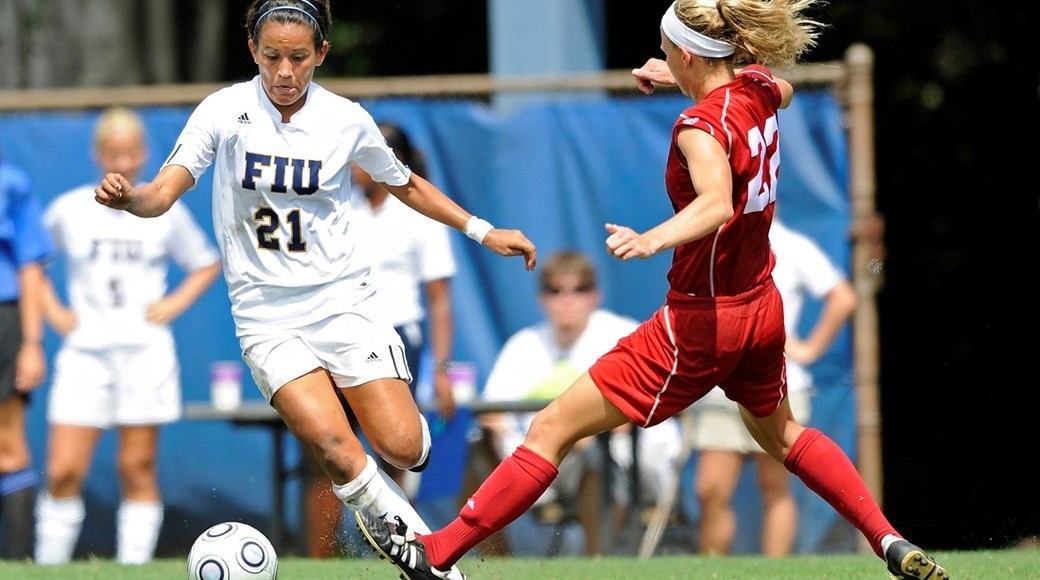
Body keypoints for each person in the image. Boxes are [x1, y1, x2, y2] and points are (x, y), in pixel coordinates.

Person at [355, 2, 947, 580]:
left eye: (667, 52)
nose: (659, 59)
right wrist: (684, 78)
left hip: (701, 322)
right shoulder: (761, 89)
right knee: (782, 434)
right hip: (760, 308)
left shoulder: (698, 127)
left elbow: (716, 203)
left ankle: (438, 552)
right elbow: (769, 93)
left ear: (690, 54)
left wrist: (651, 239)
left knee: (549, 429)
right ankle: (886, 539)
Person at [92, 2, 536, 579]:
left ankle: (419, 461)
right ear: (252, 50)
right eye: (272, 56)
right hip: (265, 315)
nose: (284, 71)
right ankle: (425, 559)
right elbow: (160, 194)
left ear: (321, 55)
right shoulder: (223, 112)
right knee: (332, 442)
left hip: (343, 304)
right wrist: (131, 200)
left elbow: (405, 184)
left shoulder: (345, 119)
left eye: (299, 58)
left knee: (403, 448)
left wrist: (482, 229)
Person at [33, 107, 222, 565]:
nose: (122, 160)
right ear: (99, 154)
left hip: (144, 352)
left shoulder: (162, 209)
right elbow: (30, 261)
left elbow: (205, 262)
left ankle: (132, 568)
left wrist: (172, 304)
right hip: (86, 353)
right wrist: (54, 310)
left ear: (144, 154)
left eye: (131, 152)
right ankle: (46, 567)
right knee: (62, 470)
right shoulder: (70, 209)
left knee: (136, 466)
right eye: (113, 152)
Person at [304, 121, 460, 557]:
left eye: (367, 154)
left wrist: (442, 369)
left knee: (395, 451)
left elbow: (440, 301)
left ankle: (404, 552)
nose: (357, 165)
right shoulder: (336, 208)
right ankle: (322, 557)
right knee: (328, 446)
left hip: (396, 341)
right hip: (336, 337)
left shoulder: (420, 216)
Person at [479, 249, 679, 556]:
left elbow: (645, 405)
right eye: (555, 290)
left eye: (579, 289)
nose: (567, 299)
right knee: (474, 450)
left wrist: (581, 432)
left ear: (595, 295)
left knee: (591, 450)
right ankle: (483, 563)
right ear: (541, 298)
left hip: (623, 458)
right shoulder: (523, 345)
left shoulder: (623, 335)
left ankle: (598, 559)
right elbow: (490, 414)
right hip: (544, 460)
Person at [690, 217, 857, 556]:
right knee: (711, 489)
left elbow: (843, 297)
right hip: (720, 383)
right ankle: (711, 570)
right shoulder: (709, 240)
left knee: (775, 488)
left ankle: (774, 571)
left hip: (779, 382)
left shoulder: (793, 245)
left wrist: (808, 349)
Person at [0, 149, 55, 560]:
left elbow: (30, 266)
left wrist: (32, 345)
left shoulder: (10, 182)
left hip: (4, 322)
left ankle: (18, 565)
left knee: (7, 443)